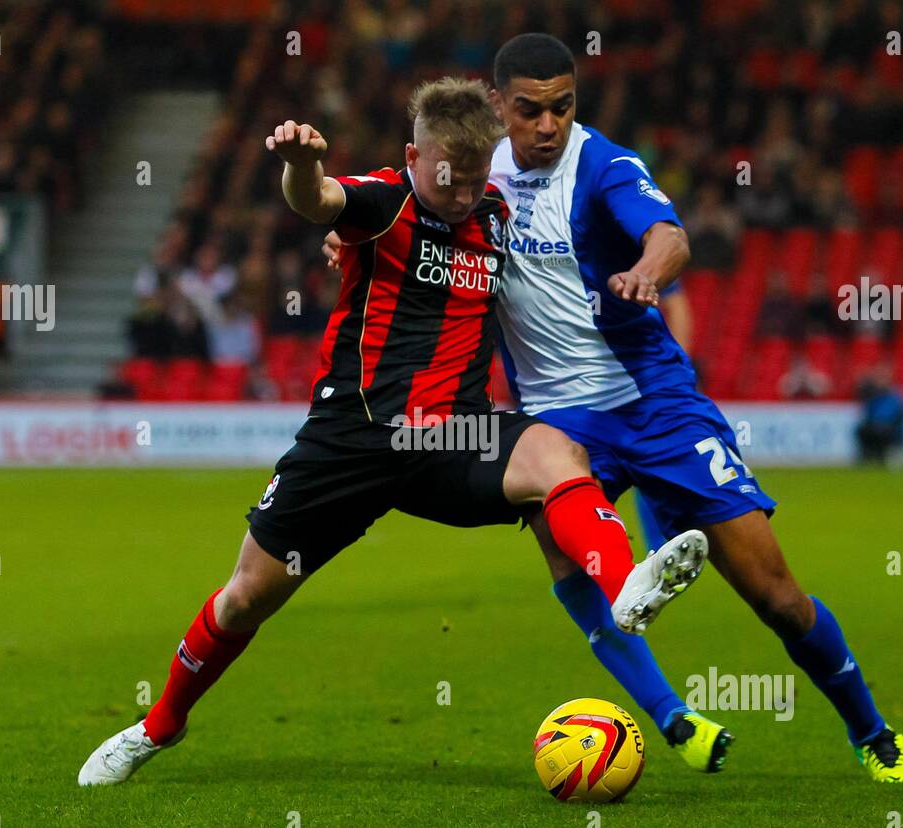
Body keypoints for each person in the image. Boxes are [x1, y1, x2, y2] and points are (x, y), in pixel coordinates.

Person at [78, 77, 705, 787]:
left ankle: (628, 586)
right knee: (247, 595)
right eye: (451, 180)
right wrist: (301, 163)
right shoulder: (383, 201)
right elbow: (318, 202)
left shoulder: (493, 213)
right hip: (353, 440)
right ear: (414, 157)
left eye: (475, 180)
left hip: (449, 441)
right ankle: (158, 726)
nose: (465, 195)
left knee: (558, 454)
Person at [329, 34, 903, 782]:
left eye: (563, 107)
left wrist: (647, 270)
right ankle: (676, 721)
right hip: (555, 422)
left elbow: (669, 236)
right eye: (530, 110)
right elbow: (393, 211)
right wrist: (343, 244)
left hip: (654, 405)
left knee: (774, 594)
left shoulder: (602, 165)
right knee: (568, 566)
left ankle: (870, 731)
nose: (549, 125)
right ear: (496, 107)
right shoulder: (474, 177)